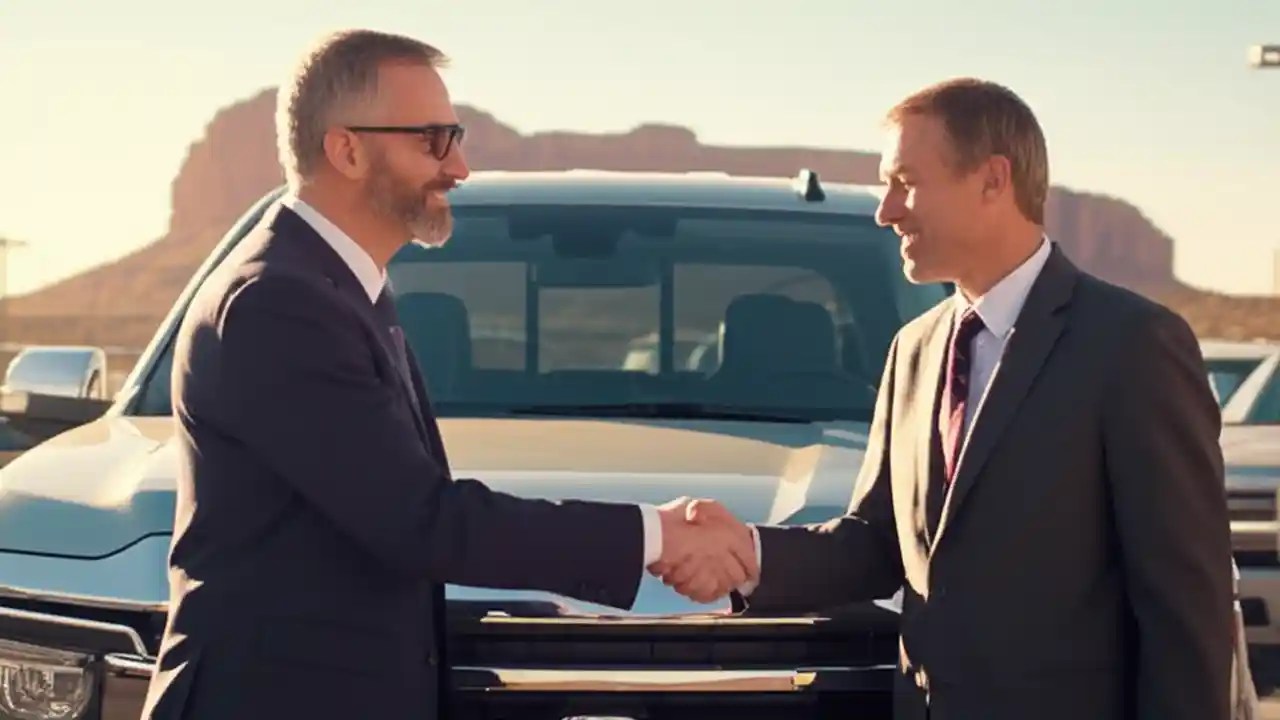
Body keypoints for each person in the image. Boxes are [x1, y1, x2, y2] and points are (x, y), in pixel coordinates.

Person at [139, 29, 754, 720]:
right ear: (345, 148)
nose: (458, 166)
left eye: (455, 135)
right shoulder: (279, 303)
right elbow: (419, 520)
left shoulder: (340, 287)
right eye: (432, 139)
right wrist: (657, 535)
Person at [654, 78, 1235, 719]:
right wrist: (746, 552)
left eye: (905, 181)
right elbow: (878, 546)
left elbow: (1186, 605)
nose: (886, 210)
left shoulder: (1132, 344)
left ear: (992, 180)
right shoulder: (915, 349)